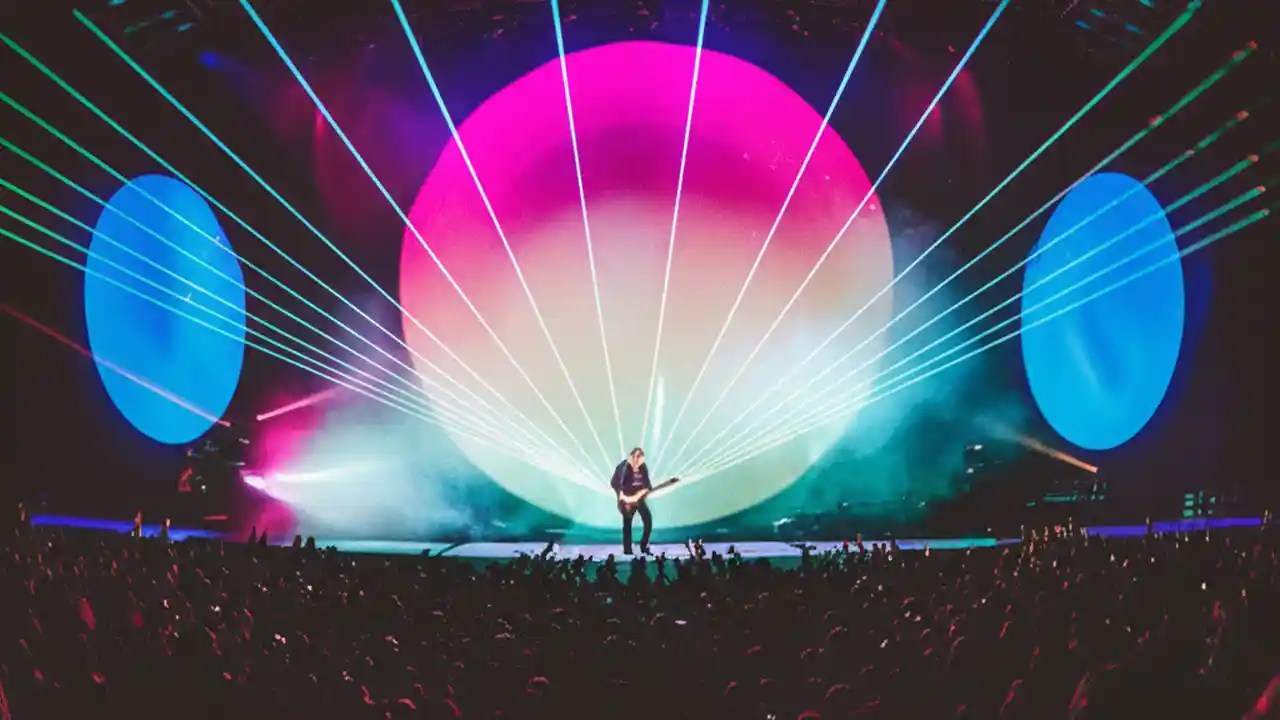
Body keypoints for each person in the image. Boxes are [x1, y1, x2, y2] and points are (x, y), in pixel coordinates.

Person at [610, 447, 653, 555]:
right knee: (627, 524)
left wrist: (642, 493)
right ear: (632, 457)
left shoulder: (643, 467)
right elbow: (616, 485)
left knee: (648, 521)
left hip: (638, 498)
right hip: (626, 499)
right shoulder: (623, 467)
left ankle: (643, 546)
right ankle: (627, 551)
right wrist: (624, 499)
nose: (638, 465)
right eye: (637, 462)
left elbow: (648, 485)